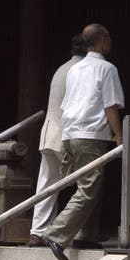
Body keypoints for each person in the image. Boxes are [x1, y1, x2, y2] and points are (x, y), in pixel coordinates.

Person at [39, 23, 125, 260]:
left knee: (89, 186)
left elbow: (67, 103)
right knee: (89, 188)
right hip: (90, 134)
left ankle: (87, 235)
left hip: (70, 133)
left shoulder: (75, 69)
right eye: (108, 38)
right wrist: (119, 134)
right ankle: (57, 234)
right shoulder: (106, 68)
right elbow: (110, 105)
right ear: (103, 39)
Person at [29, 33, 87, 245]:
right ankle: (75, 233)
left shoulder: (62, 68)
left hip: (50, 132)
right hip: (67, 135)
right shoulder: (81, 70)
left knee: (47, 184)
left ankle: (38, 231)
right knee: (86, 185)